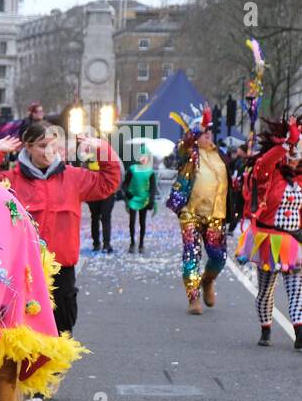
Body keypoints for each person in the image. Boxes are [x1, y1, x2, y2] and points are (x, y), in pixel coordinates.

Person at [0, 122, 120, 401]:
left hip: (63, 265)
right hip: (27, 267)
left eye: (53, 145)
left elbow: (109, 182)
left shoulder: (73, 178)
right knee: (33, 323)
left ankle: (51, 370)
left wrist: (102, 149)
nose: (48, 152)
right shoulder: (14, 180)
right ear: (27, 147)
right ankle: (36, 388)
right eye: (42, 146)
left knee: (64, 318)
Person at [236, 118, 302, 348]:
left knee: (296, 290)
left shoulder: (301, 180)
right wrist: (285, 144)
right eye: (291, 153)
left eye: (297, 153)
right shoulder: (269, 176)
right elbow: (263, 163)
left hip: (293, 241)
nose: (294, 159)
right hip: (268, 240)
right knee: (266, 290)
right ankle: (266, 329)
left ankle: (299, 332)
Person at [166, 108, 231, 314]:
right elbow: (183, 145)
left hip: (216, 215)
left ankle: (207, 281)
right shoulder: (188, 152)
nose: (207, 134)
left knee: (218, 257)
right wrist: (196, 130)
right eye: (203, 132)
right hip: (190, 212)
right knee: (191, 255)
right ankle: (193, 298)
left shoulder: (220, 154)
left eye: (209, 131)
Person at [122, 151, 158, 253]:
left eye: (145, 156)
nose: (143, 158)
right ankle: (132, 242)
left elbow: (152, 188)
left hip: (144, 200)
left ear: (148, 158)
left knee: (142, 222)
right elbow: (125, 183)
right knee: (132, 221)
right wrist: (128, 194)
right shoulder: (132, 169)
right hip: (133, 199)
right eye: (141, 156)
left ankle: (141, 244)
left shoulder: (150, 172)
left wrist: (151, 200)